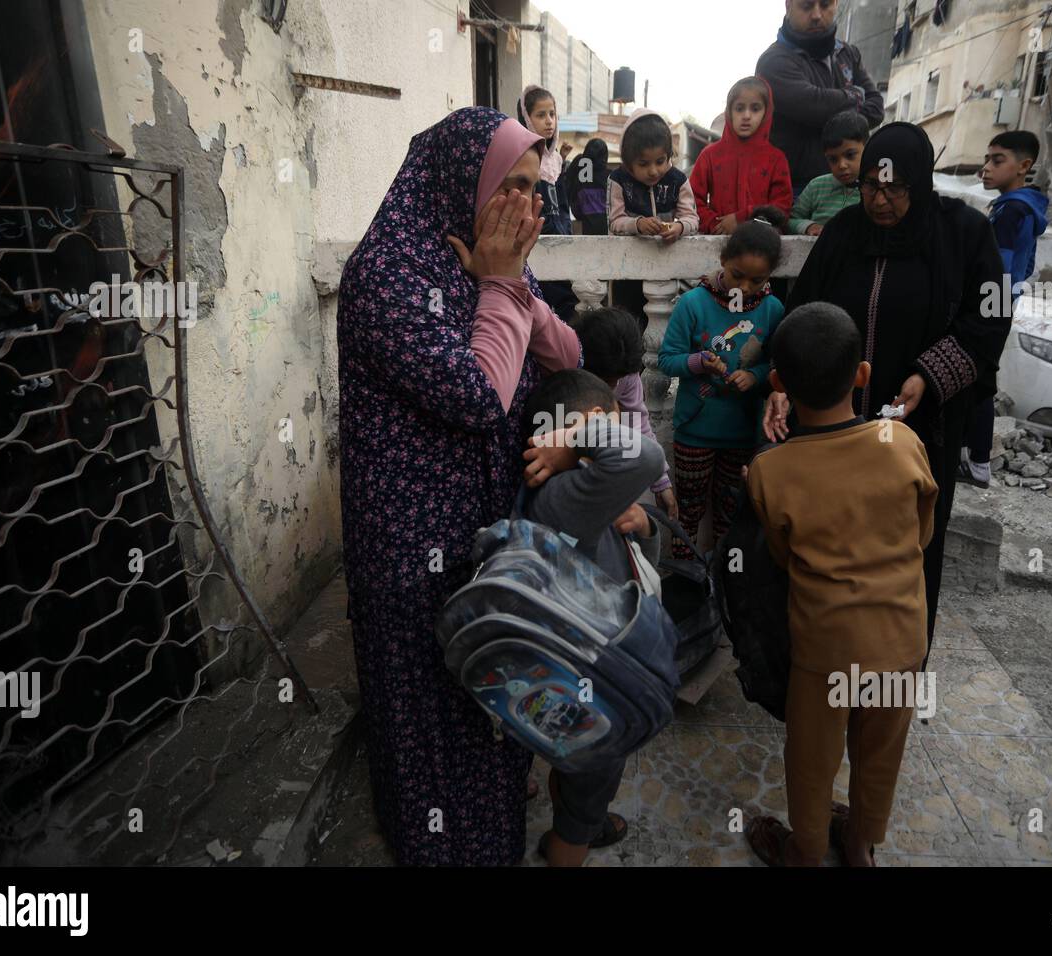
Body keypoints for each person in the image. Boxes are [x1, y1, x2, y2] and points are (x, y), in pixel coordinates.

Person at [337, 107, 581, 866]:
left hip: (482, 526)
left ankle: (493, 830)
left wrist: (513, 287)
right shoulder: (388, 273)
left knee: (488, 686)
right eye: (508, 186)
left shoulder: (492, 255)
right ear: (457, 180)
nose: (524, 208)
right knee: (430, 703)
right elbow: (480, 395)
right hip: (413, 538)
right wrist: (502, 284)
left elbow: (566, 356)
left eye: (534, 190)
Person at [771, 122, 1006, 659]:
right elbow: (801, 313)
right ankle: (824, 648)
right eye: (870, 188)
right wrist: (784, 383)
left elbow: (990, 318)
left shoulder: (965, 234)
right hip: (835, 423)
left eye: (894, 189)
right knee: (829, 533)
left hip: (919, 426)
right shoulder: (844, 233)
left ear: (920, 184)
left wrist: (928, 375)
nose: (879, 200)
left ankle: (897, 657)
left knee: (909, 540)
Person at [744, 303, 937, 867]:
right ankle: (859, 848)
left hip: (825, 650)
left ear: (778, 383)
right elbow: (920, 533)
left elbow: (782, 555)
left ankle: (804, 852)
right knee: (880, 754)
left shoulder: (771, 470)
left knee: (812, 760)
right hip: (902, 642)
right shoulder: (900, 443)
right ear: (863, 374)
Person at [518, 368, 668, 866]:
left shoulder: (585, 488)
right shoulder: (562, 495)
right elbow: (647, 455)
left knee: (578, 768)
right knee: (591, 781)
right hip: (592, 681)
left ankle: (572, 808)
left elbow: (638, 558)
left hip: (578, 667)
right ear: (599, 423)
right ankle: (571, 843)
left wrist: (645, 525)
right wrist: (574, 441)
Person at [658, 219, 786, 560]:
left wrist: (756, 376)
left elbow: (778, 367)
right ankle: (687, 581)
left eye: (757, 280)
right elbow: (667, 359)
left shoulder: (773, 310)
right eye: (736, 275)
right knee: (688, 509)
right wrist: (700, 362)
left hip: (743, 433)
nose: (744, 287)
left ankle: (724, 581)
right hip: (694, 431)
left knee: (731, 512)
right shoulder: (693, 304)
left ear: (771, 275)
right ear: (722, 260)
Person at [960, 130, 1048, 489]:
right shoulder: (1023, 207)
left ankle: (978, 462)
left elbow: (1001, 265)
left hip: (989, 304)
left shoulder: (1012, 209)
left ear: (1024, 165)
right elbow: (1026, 268)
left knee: (977, 381)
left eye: (998, 161)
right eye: (987, 160)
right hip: (999, 302)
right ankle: (970, 454)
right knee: (975, 378)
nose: (986, 168)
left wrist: (982, 305)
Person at [756, 0, 883, 195]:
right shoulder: (773, 62)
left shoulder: (847, 53)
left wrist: (835, 114)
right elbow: (813, 105)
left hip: (849, 187)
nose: (816, 15)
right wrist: (856, 96)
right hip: (794, 190)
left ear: (836, 4)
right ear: (788, 6)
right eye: (806, 7)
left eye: (824, 5)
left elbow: (876, 108)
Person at [569, 306, 679, 518]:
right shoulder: (566, 368)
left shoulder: (625, 373)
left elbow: (637, 424)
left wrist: (661, 480)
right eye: (607, 381)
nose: (615, 385)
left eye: (619, 379)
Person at [608, 109, 699, 328]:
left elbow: (692, 219)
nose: (653, 171)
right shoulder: (618, 180)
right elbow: (614, 221)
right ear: (628, 162)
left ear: (669, 155)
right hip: (627, 272)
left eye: (660, 161)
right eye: (643, 164)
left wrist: (678, 228)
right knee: (629, 325)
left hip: (669, 271)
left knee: (668, 326)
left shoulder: (678, 180)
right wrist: (637, 224)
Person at [689, 76, 793, 235]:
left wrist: (744, 219)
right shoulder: (710, 155)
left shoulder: (776, 159)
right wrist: (715, 224)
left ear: (766, 112)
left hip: (761, 244)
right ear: (729, 112)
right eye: (739, 108)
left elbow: (782, 207)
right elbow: (692, 198)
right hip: (715, 241)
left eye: (755, 108)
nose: (746, 116)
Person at [517, 85, 577, 319]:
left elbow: (563, 205)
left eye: (552, 114)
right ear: (526, 118)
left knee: (565, 301)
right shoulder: (522, 158)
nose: (549, 121)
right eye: (541, 115)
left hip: (558, 240)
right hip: (534, 243)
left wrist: (567, 233)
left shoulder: (555, 162)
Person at [787, 110, 865, 236]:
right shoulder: (816, 186)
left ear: (867, 148)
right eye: (833, 159)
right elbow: (790, 220)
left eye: (850, 155)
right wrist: (809, 227)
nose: (842, 165)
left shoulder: (874, 190)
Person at [562, 137, 610, 235]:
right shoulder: (609, 175)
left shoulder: (579, 164)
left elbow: (566, 184)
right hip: (604, 224)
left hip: (581, 216)